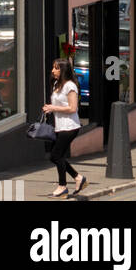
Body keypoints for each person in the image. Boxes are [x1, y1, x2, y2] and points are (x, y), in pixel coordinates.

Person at [43, 58, 85, 198]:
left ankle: (62, 187)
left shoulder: (70, 86)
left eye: (56, 68)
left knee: (56, 155)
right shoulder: (56, 84)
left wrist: (53, 107)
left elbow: (73, 108)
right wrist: (49, 108)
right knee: (55, 156)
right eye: (53, 68)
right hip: (60, 127)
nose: (53, 70)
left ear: (63, 70)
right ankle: (78, 178)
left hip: (70, 126)